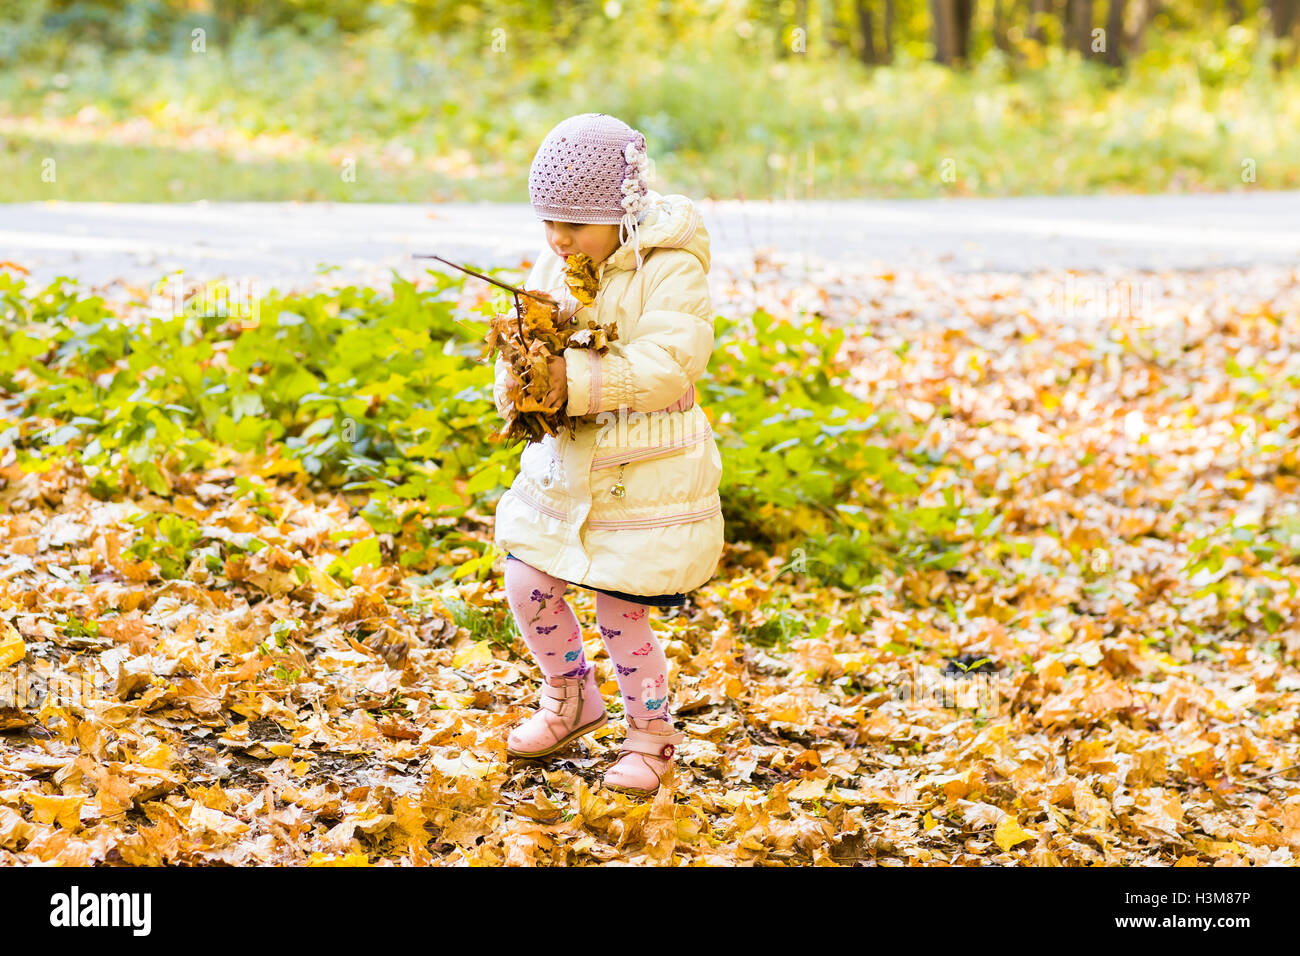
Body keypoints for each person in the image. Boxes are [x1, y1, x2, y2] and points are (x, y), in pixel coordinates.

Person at [491, 112, 725, 796]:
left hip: (646, 468)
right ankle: (570, 696)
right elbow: (528, 328)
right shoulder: (559, 259)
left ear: (619, 216)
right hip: (566, 463)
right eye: (547, 223)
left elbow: (671, 360)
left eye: (574, 224)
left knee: (620, 608)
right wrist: (522, 381)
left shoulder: (669, 265)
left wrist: (580, 381)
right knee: (527, 581)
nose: (558, 239)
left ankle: (651, 738)